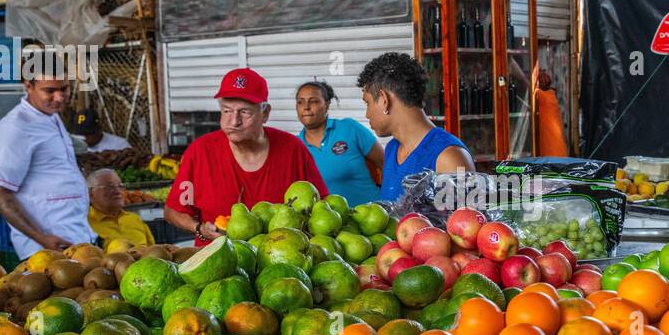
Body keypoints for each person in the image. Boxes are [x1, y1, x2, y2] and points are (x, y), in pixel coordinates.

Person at [164, 67, 327, 243]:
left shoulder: (293, 149)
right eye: (227, 111)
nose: (234, 121)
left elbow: (321, 207)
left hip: (281, 261)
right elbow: (173, 211)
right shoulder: (199, 152)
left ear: (265, 113)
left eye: (244, 112)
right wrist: (198, 228)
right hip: (216, 264)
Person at [0, 50, 95, 259]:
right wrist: (41, 237)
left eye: (64, 89)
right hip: (45, 248)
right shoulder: (15, 129)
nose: (60, 97)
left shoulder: (50, 116)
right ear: (28, 85)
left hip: (74, 239)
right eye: (50, 91)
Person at [356, 52, 475, 202]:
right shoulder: (392, 149)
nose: (367, 114)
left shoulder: (449, 158)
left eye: (368, 103)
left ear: (383, 99)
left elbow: (467, 224)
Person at [296, 79, 384, 204]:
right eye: (300, 102)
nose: (306, 107)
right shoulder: (296, 146)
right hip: (331, 221)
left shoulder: (349, 128)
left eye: (313, 101)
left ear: (326, 104)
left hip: (374, 215)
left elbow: (384, 163)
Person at [86, 169, 155, 246]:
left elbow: (153, 250)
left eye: (120, 186)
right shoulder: (85, 224)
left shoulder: (134, 218)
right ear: (91, 194)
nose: (117, 191)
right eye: (109, 187)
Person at [534, 68, 569, 157]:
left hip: (547, 131)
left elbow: (532, 89)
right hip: (554, 131)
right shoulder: (551, 93)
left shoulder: (541, 95)